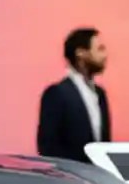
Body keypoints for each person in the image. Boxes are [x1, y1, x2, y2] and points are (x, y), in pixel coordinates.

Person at [37, 27, 111, 163]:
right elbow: (48, 148)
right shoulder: (57, 94)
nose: (105, 55)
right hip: (70, 179)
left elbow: (105, 145)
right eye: (99, 49)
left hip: (99, 179)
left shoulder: (100, 94)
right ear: (80, 53)